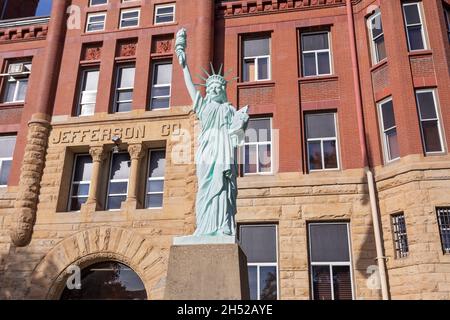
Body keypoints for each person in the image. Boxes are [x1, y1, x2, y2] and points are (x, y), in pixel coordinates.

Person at [175, 28, 249, 237]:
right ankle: (204, 228)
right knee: (206, 187)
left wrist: (242, 122)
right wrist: (183, 63)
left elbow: (238, 137)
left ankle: (223, 225)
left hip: (224, 148)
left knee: (223, 186)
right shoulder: (202, 106)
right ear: (207, 92)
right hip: (207, 149)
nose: (215, 90)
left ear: (223, 90)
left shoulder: (228, 109)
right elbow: (190, 85)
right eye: (211, 88)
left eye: (218, 87)